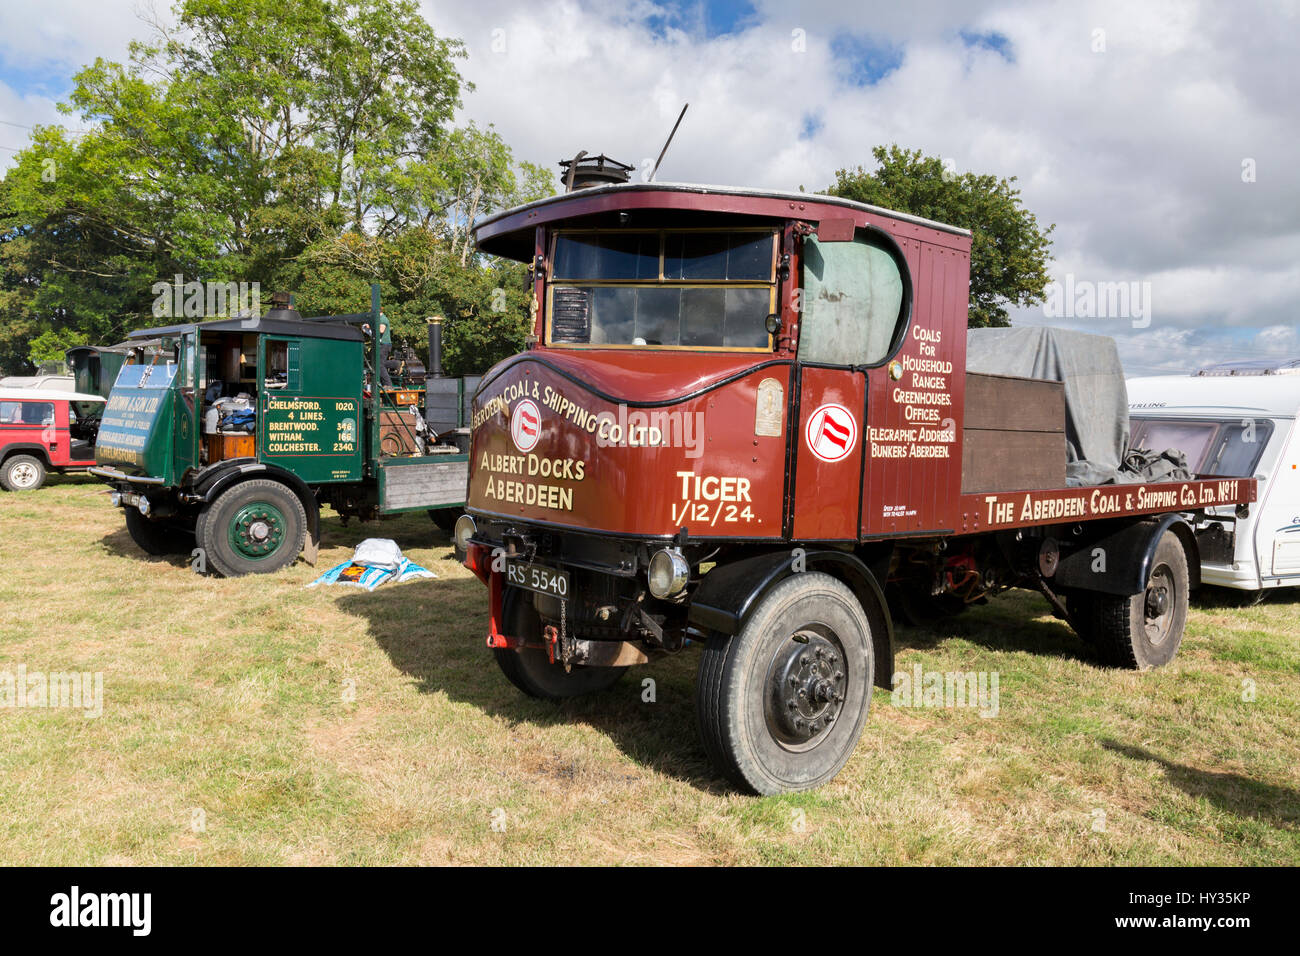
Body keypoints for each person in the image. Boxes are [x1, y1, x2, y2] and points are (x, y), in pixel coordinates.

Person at [361, 313, 393, 387]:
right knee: (376, 363)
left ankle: (388, 385)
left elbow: (381, 330)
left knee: (379, 365)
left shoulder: (383, 319)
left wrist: (370, 326)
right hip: (380, 345)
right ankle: (396, 364)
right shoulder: (378, 319)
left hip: (384, 345)